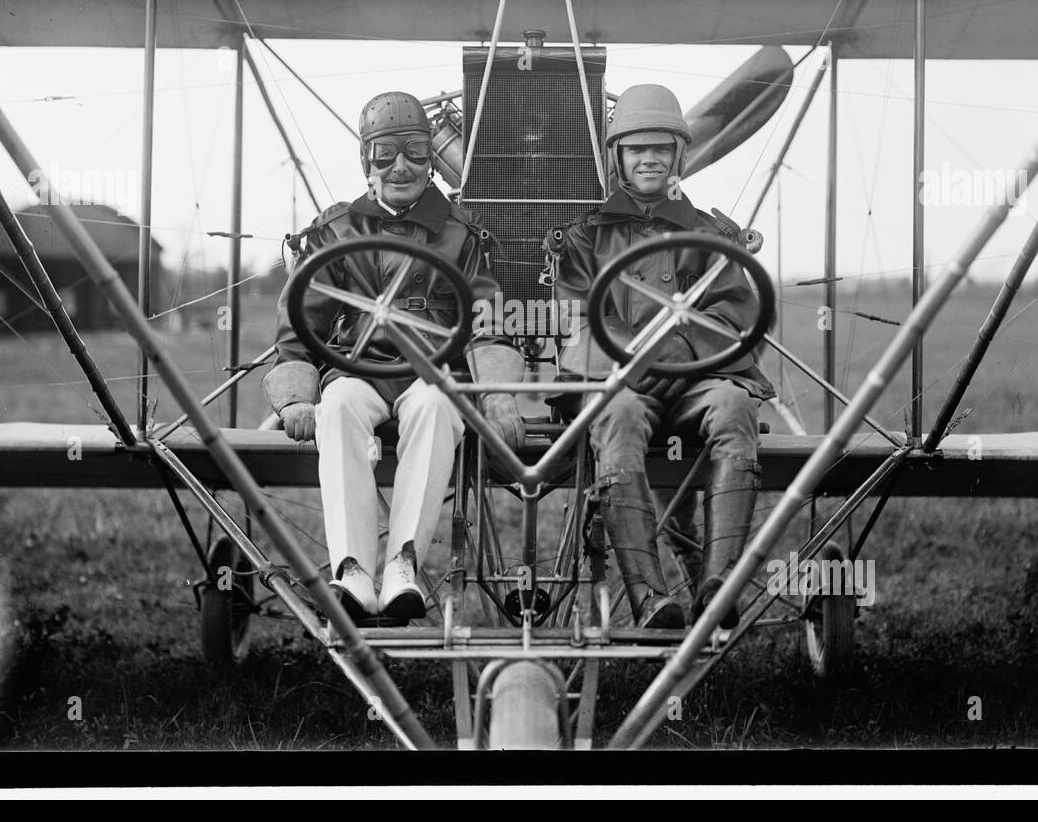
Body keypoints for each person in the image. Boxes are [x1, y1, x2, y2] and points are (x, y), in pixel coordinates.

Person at [263, 91, 525, 624]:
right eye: (386, 154)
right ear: (366, 161)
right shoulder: (336, 229)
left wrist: (496, 394)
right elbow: (298, 328)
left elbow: (488, 320)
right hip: (359, 371)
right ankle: (353, 571)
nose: (401, 166)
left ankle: (403, 565)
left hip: (435, 373)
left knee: (436, 408)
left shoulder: (459, 232)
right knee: (335, 408)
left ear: (432, 159)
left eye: (415, 152)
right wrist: (294, 398)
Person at [553, 84, 773, 629]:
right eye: (635, 149)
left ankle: (718, 583)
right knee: (619, 417)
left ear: (677, 155)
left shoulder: (708, 233)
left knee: (735, 408)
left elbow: (738, 319)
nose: (648, 159)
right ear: (617, 157)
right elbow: (576, 321)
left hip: (700, 377)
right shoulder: (585, 239)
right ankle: (651, 597)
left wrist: (682, 352)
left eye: (659, 149)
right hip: (623, 382)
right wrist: (640, 360)